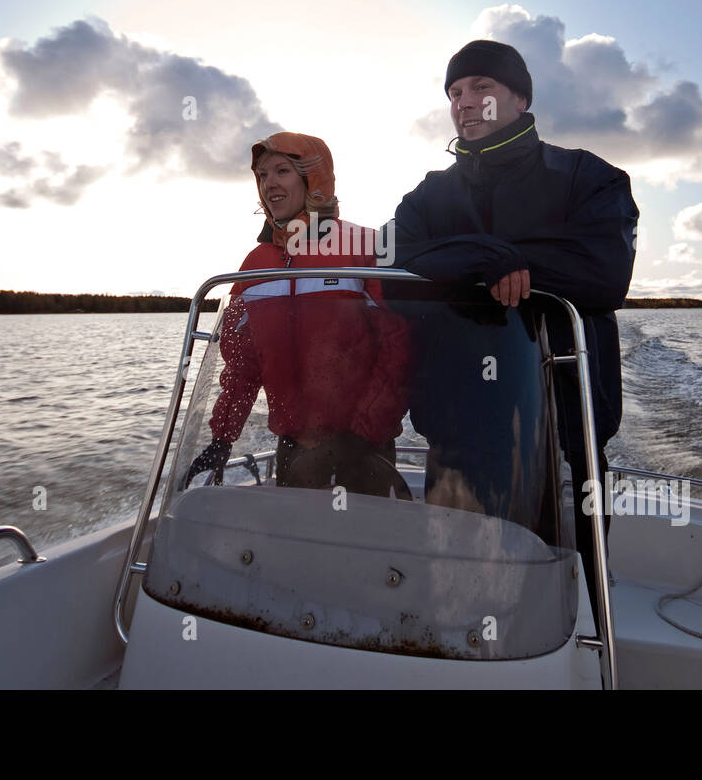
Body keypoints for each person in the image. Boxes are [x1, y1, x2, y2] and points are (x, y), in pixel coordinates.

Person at [392, 39, 639, 591]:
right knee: (453, 588)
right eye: (455, 91)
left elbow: (603, 274)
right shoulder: (429, 196)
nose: (465, 101)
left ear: (521, 98)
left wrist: (488, 262)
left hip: (563, 428)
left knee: (566, 589)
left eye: (482, 86)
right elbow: (394, 273)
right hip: (458, 426)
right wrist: (489, 257)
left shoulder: (588, 178)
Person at [185, 132, 412, 498]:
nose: (269, 183)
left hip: (364, 447)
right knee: (297, 552)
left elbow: (398, 351)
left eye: (282, 171)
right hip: (295, 450)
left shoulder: (366, 246)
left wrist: (364, 434)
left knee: (367, 550)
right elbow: (242, 364)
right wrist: (222, 438)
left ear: (313, 178)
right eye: (262, 175)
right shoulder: (254, 266)